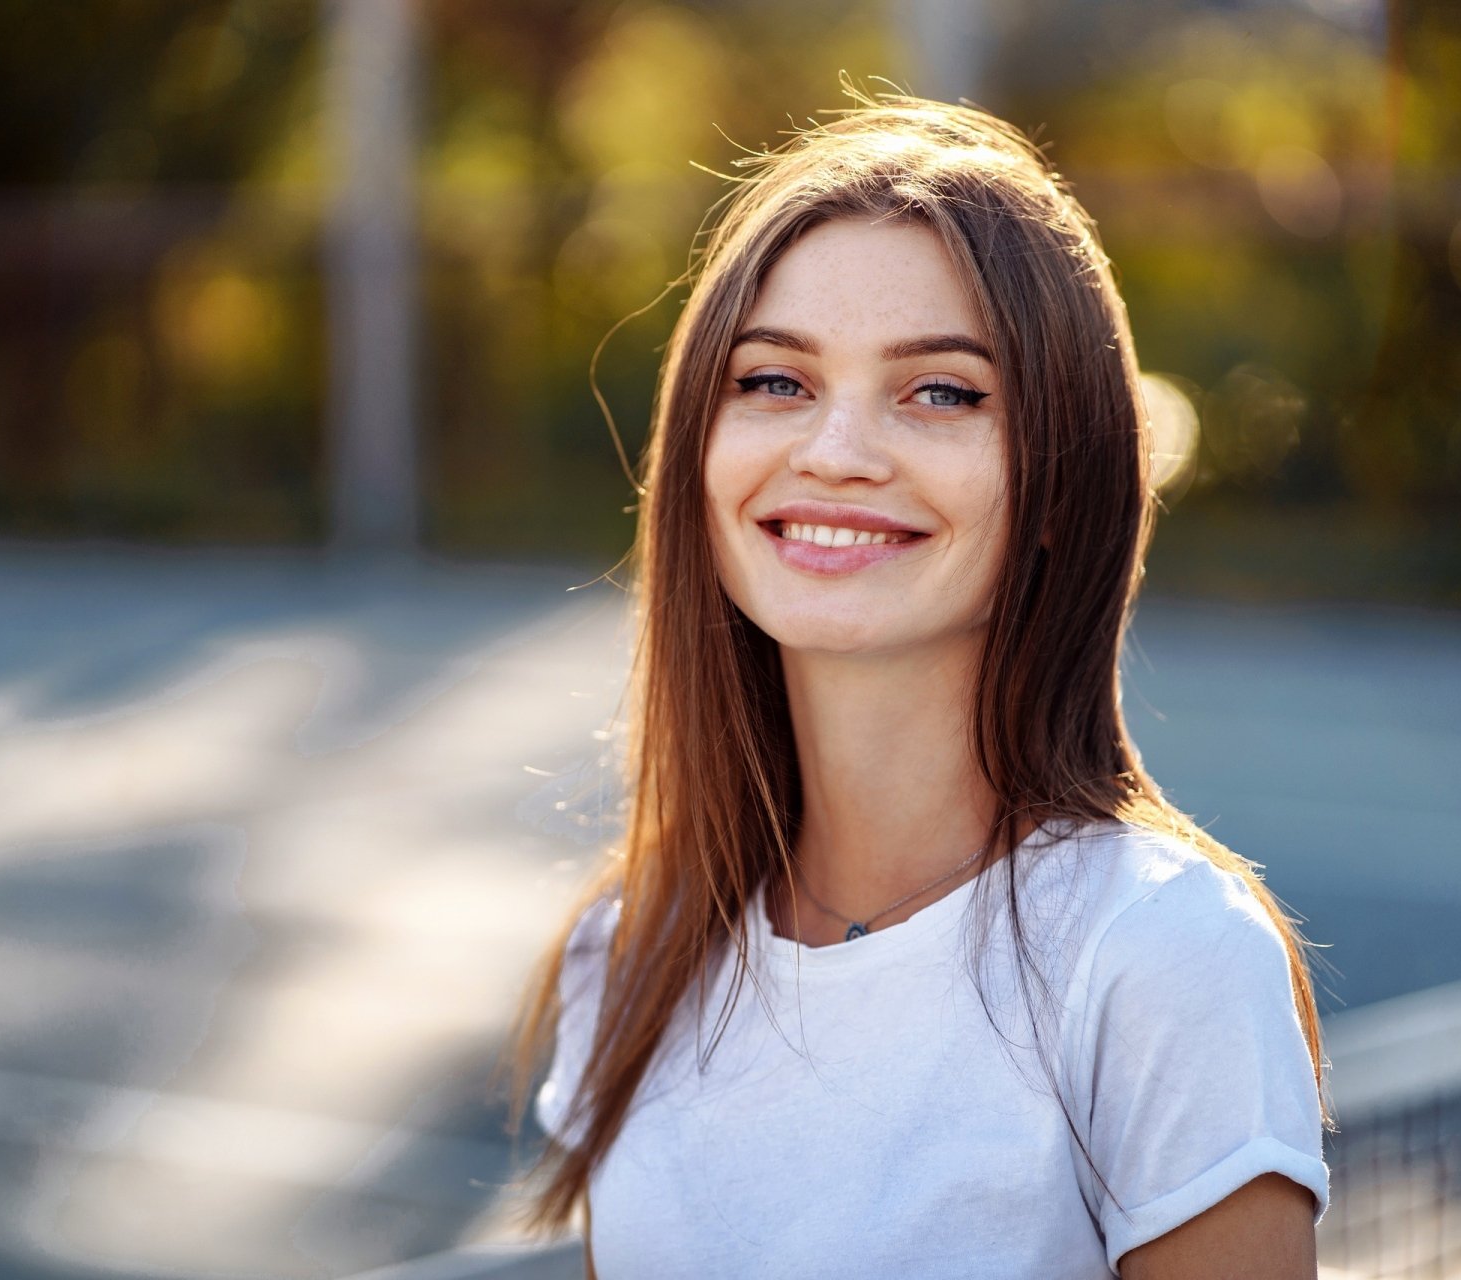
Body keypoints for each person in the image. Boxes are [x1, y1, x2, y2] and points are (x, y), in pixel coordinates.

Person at [504, 78, 1334, 1278]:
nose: (835, 451)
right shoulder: (631, 950)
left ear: (1061, 479)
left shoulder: (1160, 955)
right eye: (774, 380)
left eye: (940, 391)